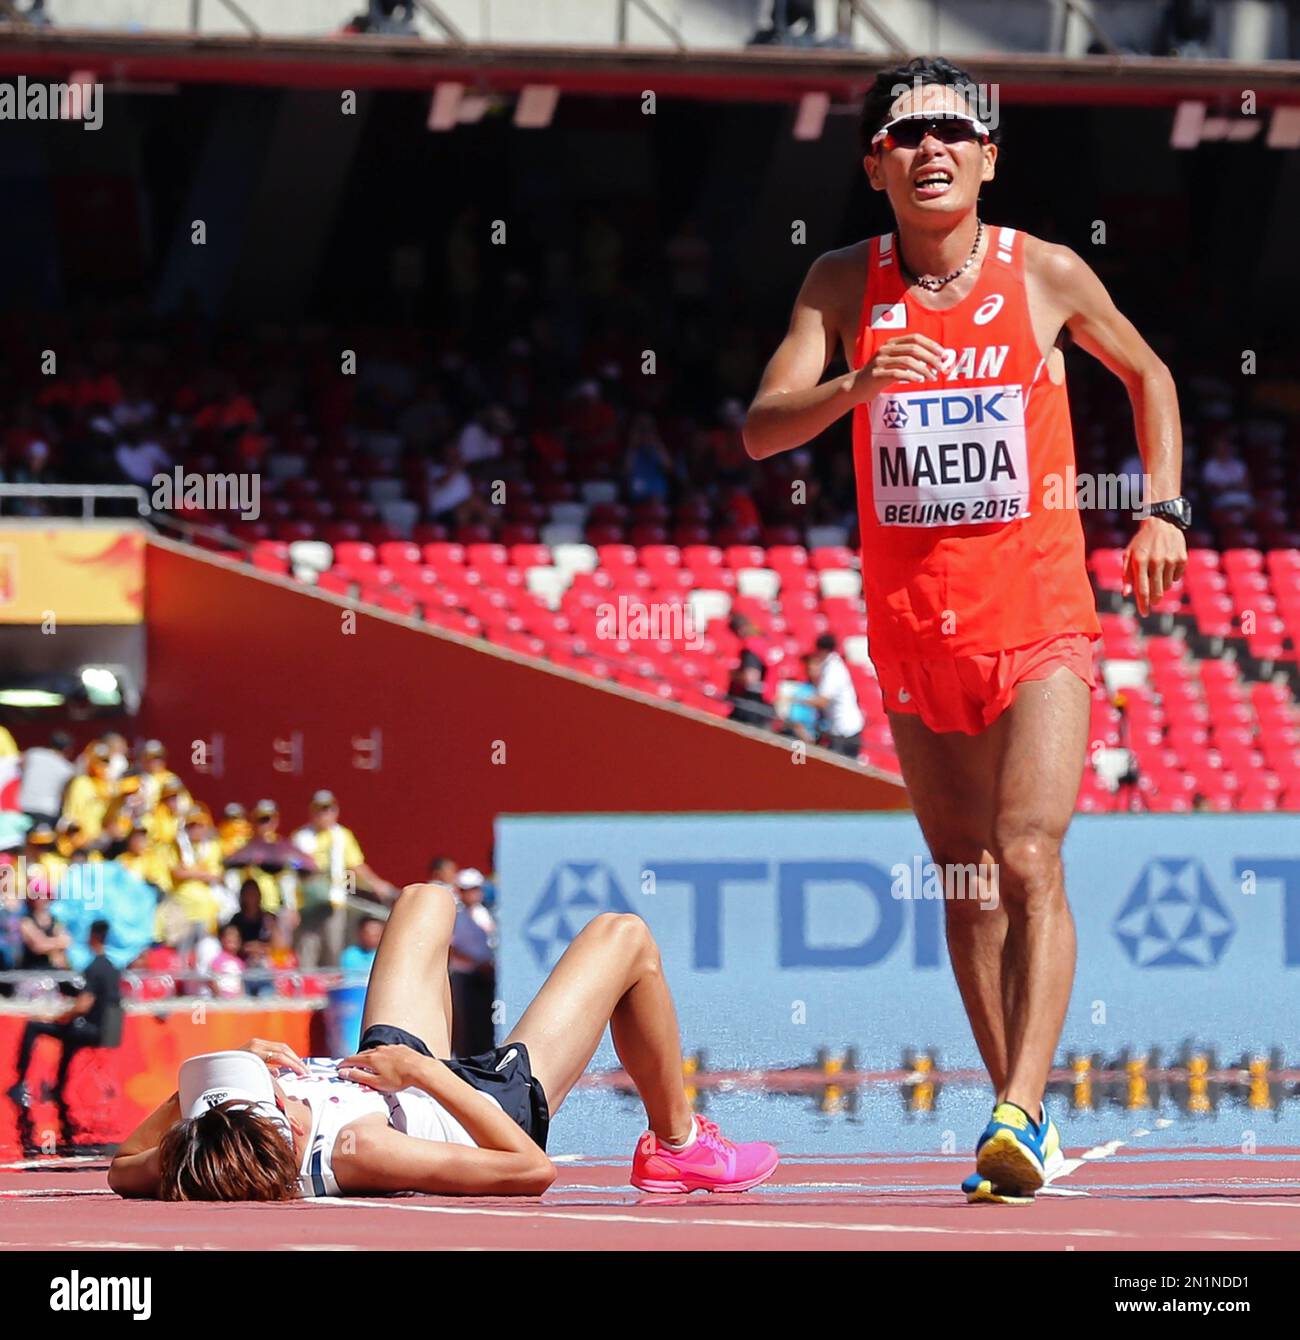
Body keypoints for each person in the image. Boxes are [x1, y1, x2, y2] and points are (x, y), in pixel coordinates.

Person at [743, 57, 1187, 1203]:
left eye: (954, 129)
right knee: (961, 873)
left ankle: (1019, 1105)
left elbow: (1150, 373)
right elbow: (757, 429)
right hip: (910, 627)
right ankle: (1015, 1114)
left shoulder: (1042, 270)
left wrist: (1160, 506)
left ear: (988, 156)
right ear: (875, 163)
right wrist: (852, 384)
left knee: (1030, 851)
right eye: (908, 133)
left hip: (1038, 612)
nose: (931, 147)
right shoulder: (842, 281)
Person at [108, 883, 779, 1200]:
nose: (279, 1080)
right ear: (281, 1120)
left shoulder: (200, 1157)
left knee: (423, 899)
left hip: (384, 1074)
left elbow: (121, 1166)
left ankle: (678, 1145)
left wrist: (214, 1093)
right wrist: (426, 1077)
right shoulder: (360, 1149)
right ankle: (679, 1145)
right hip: (478, 1106)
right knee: (624, 937)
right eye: (274, 1090)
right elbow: (529, 1172)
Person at [7, 919, 121, 1108]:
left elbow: (83, 1005)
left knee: (33, 1026)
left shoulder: (95, 967)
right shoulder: (112, 968)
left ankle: (20, 1084)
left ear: (93, 936)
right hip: (107, 1032)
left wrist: (55, 1018)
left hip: (91, 1030)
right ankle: (58, 1088)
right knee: (70, 1038)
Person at [291, 789, 396, 970]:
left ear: (335, 811)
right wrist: (291, 907)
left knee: (333, 950)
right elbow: (292, 876)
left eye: (328, 809)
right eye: (319, 810)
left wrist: (376, 884)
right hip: (307, 906)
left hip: (334, 904)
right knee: (307, 951)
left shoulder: (342, 835)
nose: (324, 814)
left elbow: (356, 865)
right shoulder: (301, 837)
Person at [449, 868, 496, 1056]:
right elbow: (451, 947)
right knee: (466, 1024)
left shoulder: (486, 913)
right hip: (465, 976)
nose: (473, 893)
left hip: (486, 975)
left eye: (476, 888)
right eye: (467, 889)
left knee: (486, 1021)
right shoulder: (457, 917)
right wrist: (476, 963)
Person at [805, 633, 865, 757]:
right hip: (842, 729)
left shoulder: (833, 669)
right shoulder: (833, 665)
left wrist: (795, 699)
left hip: (846, 731)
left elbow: (823, 701)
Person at [19, 731, 76, 827]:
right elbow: (66, 795)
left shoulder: (33, 754)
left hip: (23, 807)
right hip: (46, 812)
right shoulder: (67, 769)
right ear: (67, 749)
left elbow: (18, 768)